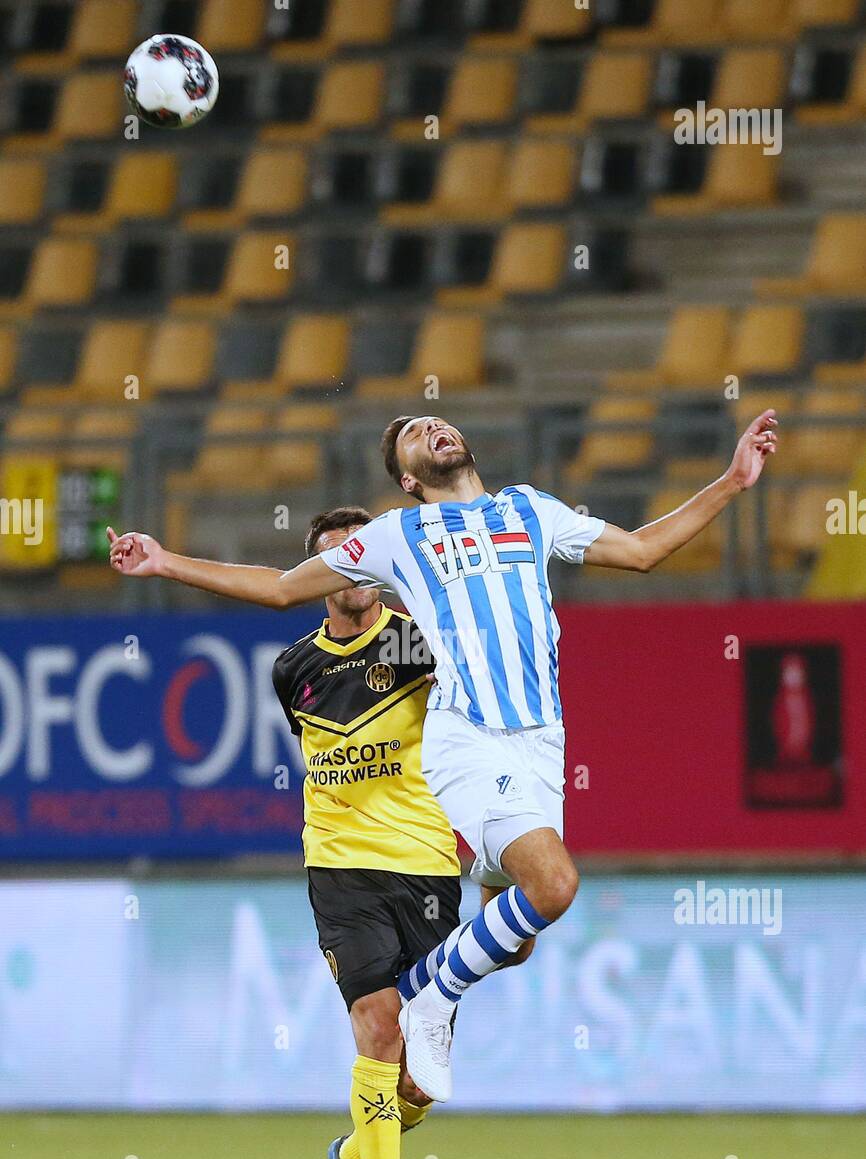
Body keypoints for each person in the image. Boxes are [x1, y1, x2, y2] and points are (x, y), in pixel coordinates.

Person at [107, 407, 778, 1107]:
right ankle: (430, 988)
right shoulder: (398, 535)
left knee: (517, 941)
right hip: (467, 738)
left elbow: (642, 550)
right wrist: (164, 561)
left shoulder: (529, 509)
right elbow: (281, 588)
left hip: (542, 744)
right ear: (407, 476)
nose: (435, 428)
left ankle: (361, 1156)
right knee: (554, 886)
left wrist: (732, 480)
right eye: (414, 434)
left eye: (438, 420)